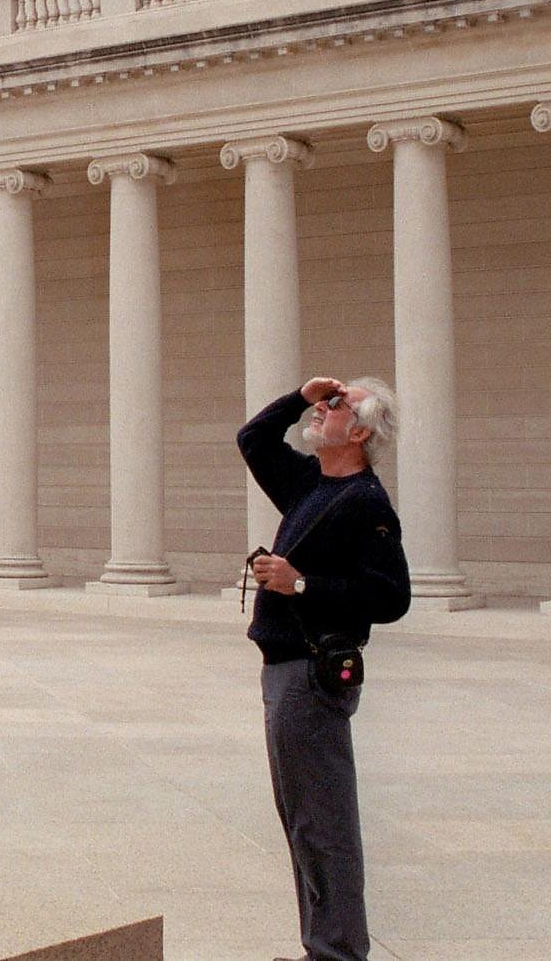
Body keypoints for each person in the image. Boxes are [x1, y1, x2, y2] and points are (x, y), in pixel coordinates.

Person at [238, 374, 412, 961]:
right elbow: (254, 439)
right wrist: (302, 397)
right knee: (302, 821)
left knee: (323, 825)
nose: (323, 412)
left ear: (360, 432)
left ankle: (337, 952)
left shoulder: (366, 502)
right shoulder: (310, 482)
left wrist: (301, 583)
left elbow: (391, 596)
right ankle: (324, 947)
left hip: (312, 673)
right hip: (285, 669)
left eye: (336, 407)